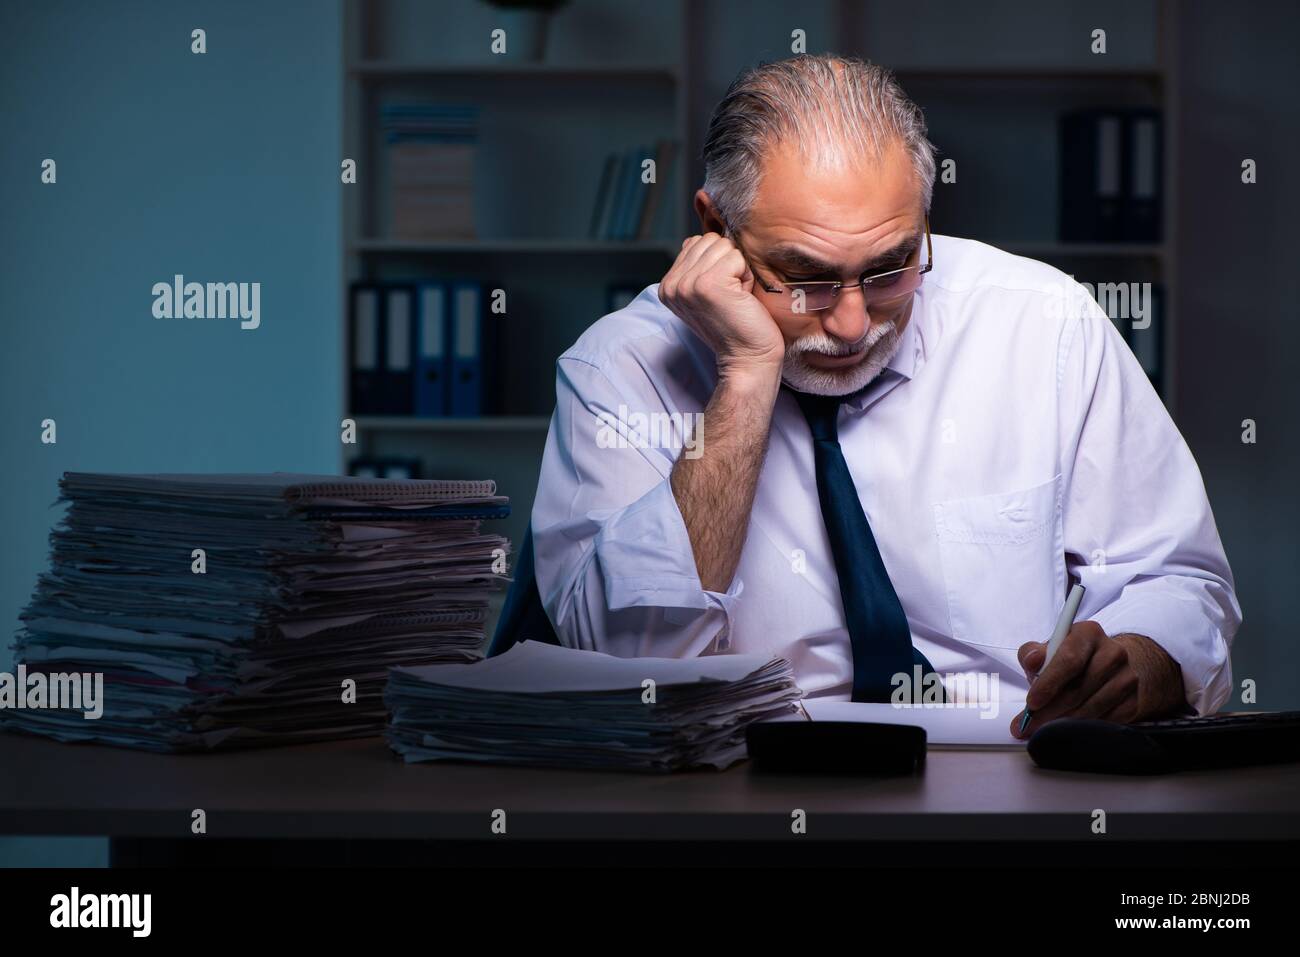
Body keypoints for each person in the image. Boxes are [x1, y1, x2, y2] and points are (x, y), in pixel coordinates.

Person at [530, 53, 1240, 737]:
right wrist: (746, 374)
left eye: (890, 268)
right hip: (740, 785)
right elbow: (632, 668)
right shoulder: (618, 369)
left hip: (1007, 781)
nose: (850, 324)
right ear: (716, 230)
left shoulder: (1044, 323)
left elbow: (1178, 579)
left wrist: (1138, 660)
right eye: (804, 277)